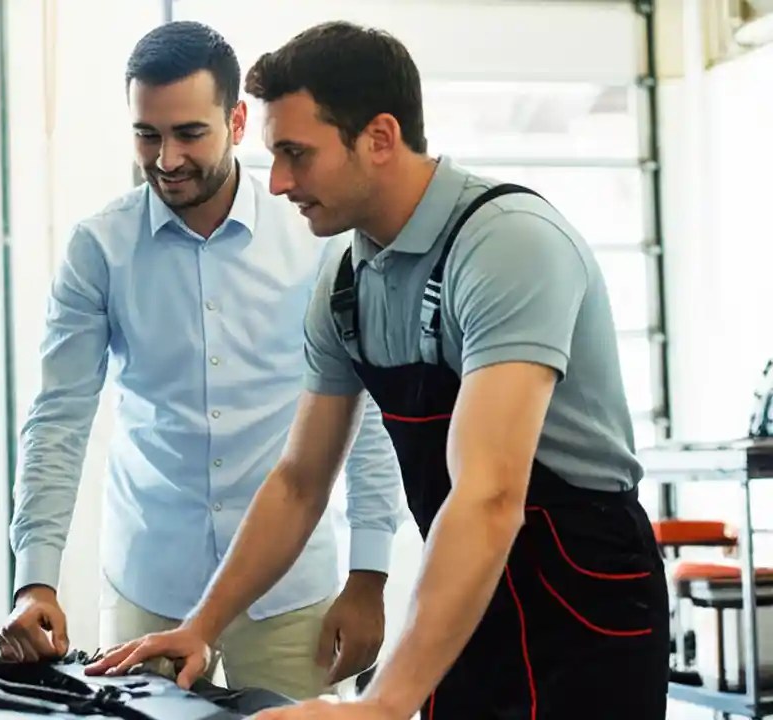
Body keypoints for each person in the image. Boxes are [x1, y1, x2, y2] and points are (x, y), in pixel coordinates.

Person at [85, 20, 670, 720]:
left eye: (297, 154)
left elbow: (488, 494)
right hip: (464, 596)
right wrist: (201, 626)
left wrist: (386, 702)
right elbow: (300, 483)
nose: (277, 184)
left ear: (381, 138)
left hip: (582, 600)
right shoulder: (343, 279)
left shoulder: (508, 245)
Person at [0, 21, 404, 702]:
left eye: (189, 133)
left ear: (238, 120)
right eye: (147, 135)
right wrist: (35, 576)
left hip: (289, 592)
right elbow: (58, 419)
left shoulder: (315, 238)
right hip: (148, 586)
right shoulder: (100, 249)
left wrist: (370, 573)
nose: (166, 159)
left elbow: (367, 413)